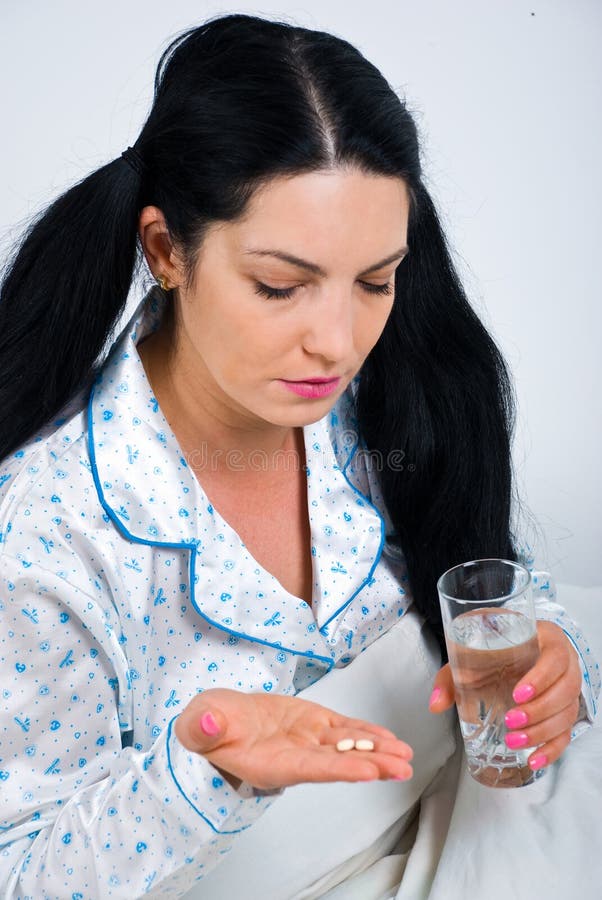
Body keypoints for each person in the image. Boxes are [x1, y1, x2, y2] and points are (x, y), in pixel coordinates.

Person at [0, 12, 599, 899]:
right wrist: (209, 773)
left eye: (376, 281)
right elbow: (21, 868)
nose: (338, 341)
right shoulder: (48, 535)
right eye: (281, 286)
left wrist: (554, 660)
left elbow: (497, 583)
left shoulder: (389, 408)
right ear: (167, 250)